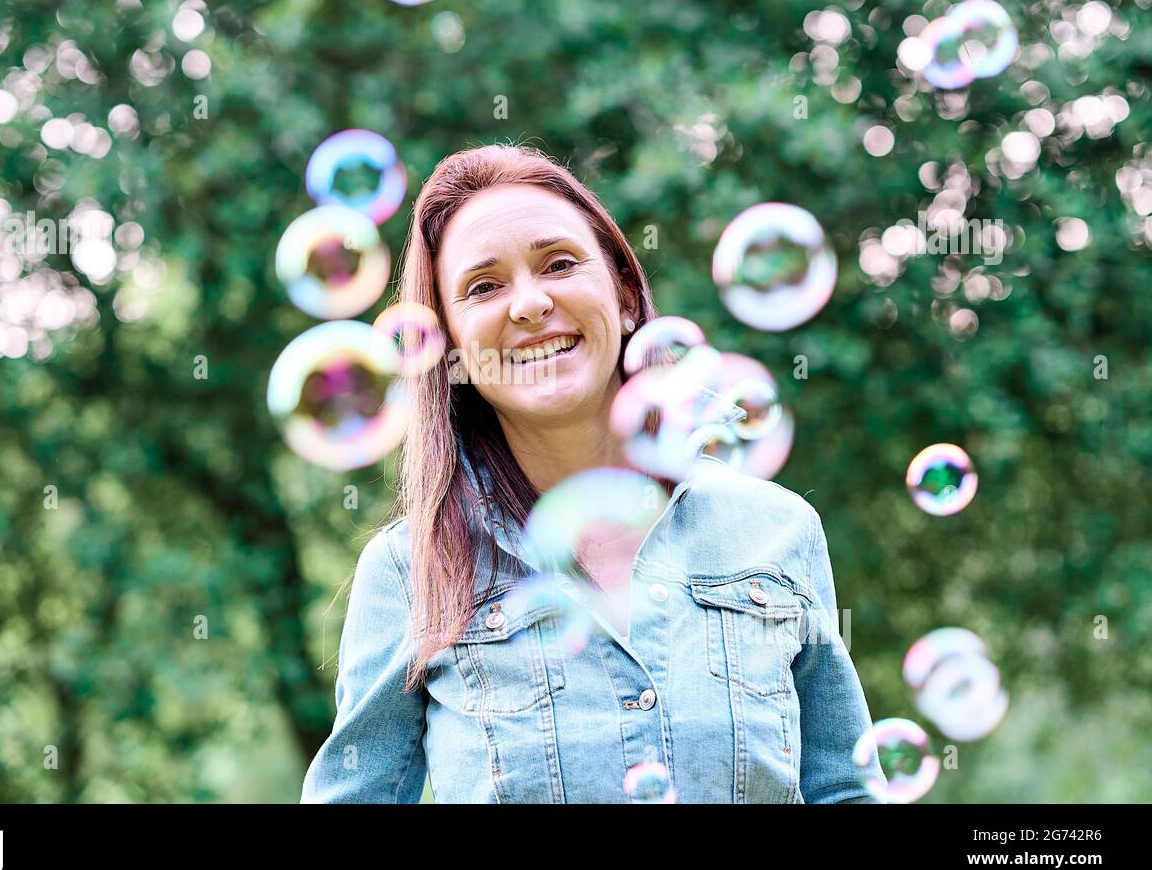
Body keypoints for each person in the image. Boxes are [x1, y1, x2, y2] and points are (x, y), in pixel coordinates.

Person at [300, 143, 883, 803]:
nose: (528, 304)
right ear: (450, 345)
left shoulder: (776, 531)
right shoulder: (408, 572)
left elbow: (845, 791)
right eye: (484, 286)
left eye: (559, 264)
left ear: (627, 297)